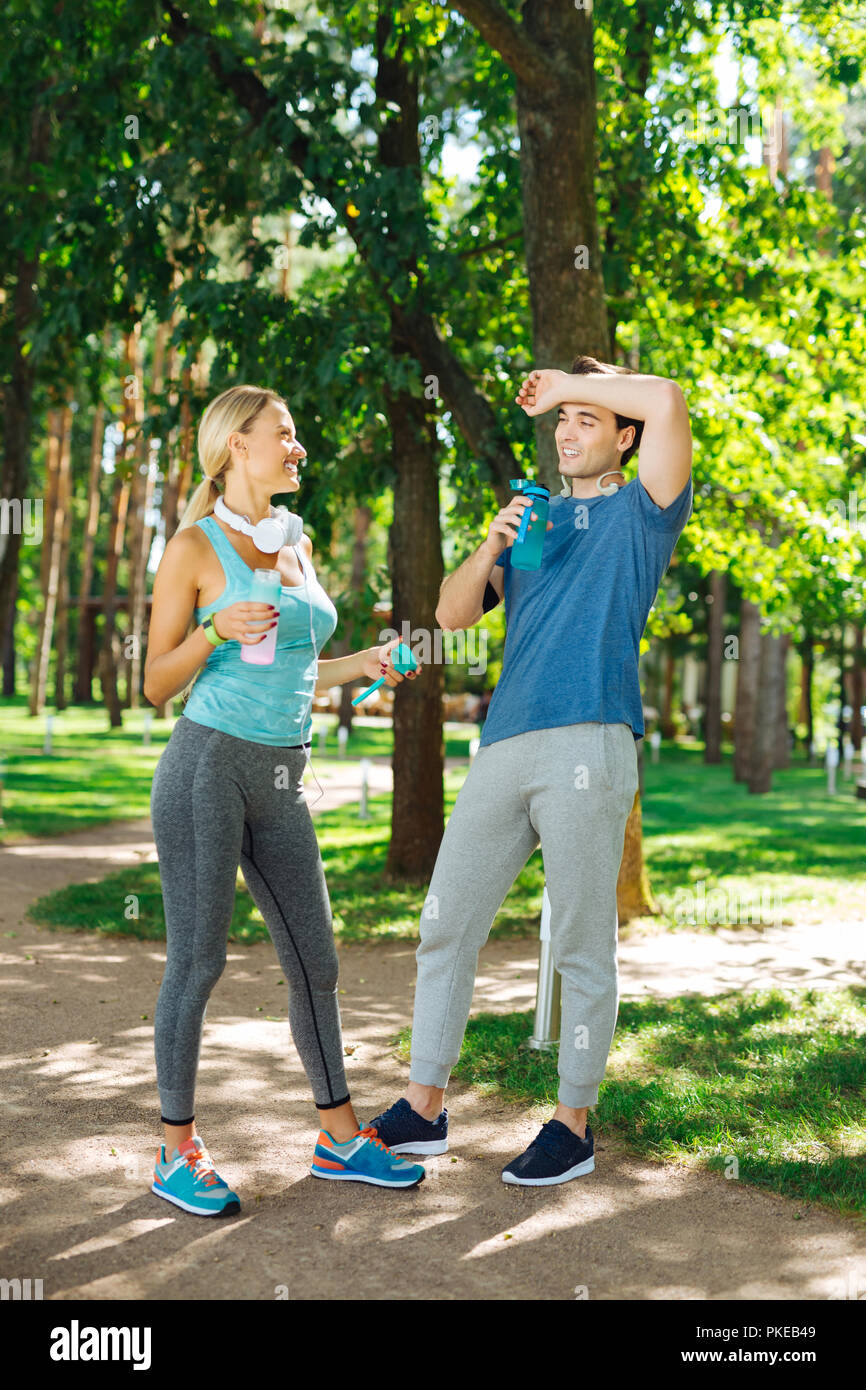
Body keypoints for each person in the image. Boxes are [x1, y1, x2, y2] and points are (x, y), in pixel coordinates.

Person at [365, 355, 693, 1186]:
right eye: (560, 421)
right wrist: (491, 543)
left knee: (581, 944)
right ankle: (425, 1110)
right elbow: (449, 614)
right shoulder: (533, 521)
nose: (567, 430)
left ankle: (573, 1123)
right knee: (446, 921)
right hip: (506, 744)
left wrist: (569, 382)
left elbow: (665, 398)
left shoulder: (644, 510)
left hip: (590, 739)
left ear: (625, 436)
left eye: (587, 418)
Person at [144, 384, 426, 1214]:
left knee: (317, 960)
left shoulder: (296, 542)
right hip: (206, 766)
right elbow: (157, 681)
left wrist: (367, 661)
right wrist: (212, 631)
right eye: (286, 435)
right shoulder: (194, 549)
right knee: (199, 961)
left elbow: (300, 665)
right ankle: (175, 1152)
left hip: (282, 777)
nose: (298, 447)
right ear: (238, 445)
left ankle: (340, 1141)